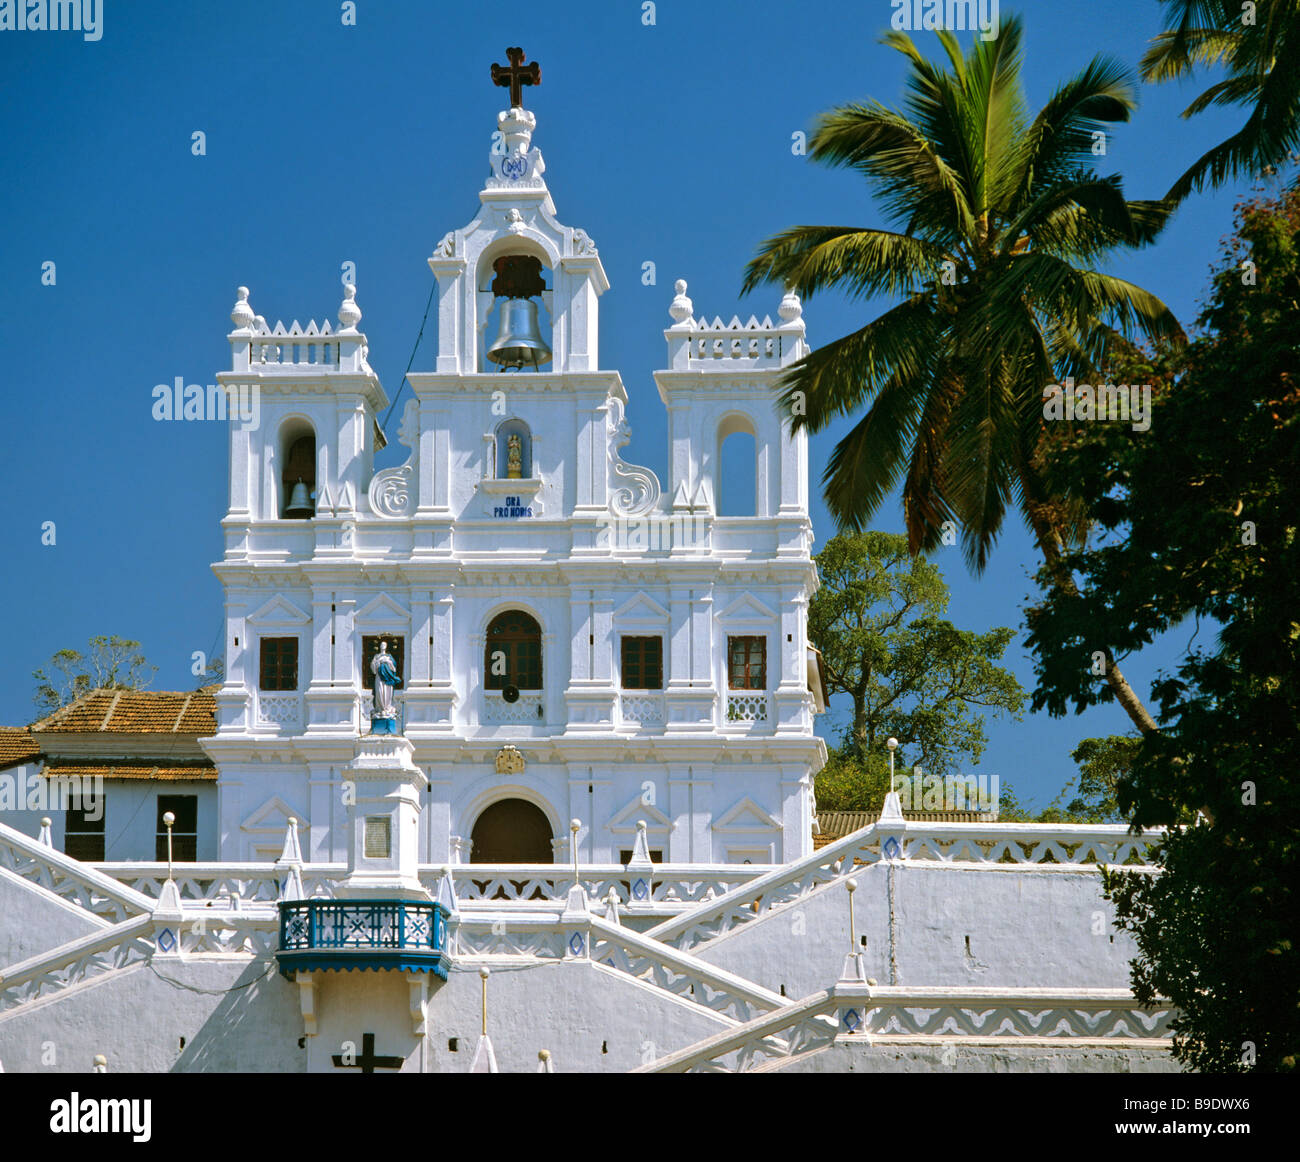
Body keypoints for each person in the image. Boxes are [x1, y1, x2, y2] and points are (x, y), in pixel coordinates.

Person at [370, 640, 403, 732]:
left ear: (386, 646)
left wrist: (388, 662)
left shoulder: (389, 657)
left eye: (384, 645)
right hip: (379, 678)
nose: (383, 646)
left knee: (387, 692)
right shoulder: (376, 656)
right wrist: (378, 662)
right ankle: (380, 708)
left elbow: (394, 668)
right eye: (381, 644)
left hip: (387, 678)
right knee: (379, 691)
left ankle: (387, 707)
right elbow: (373, 669)